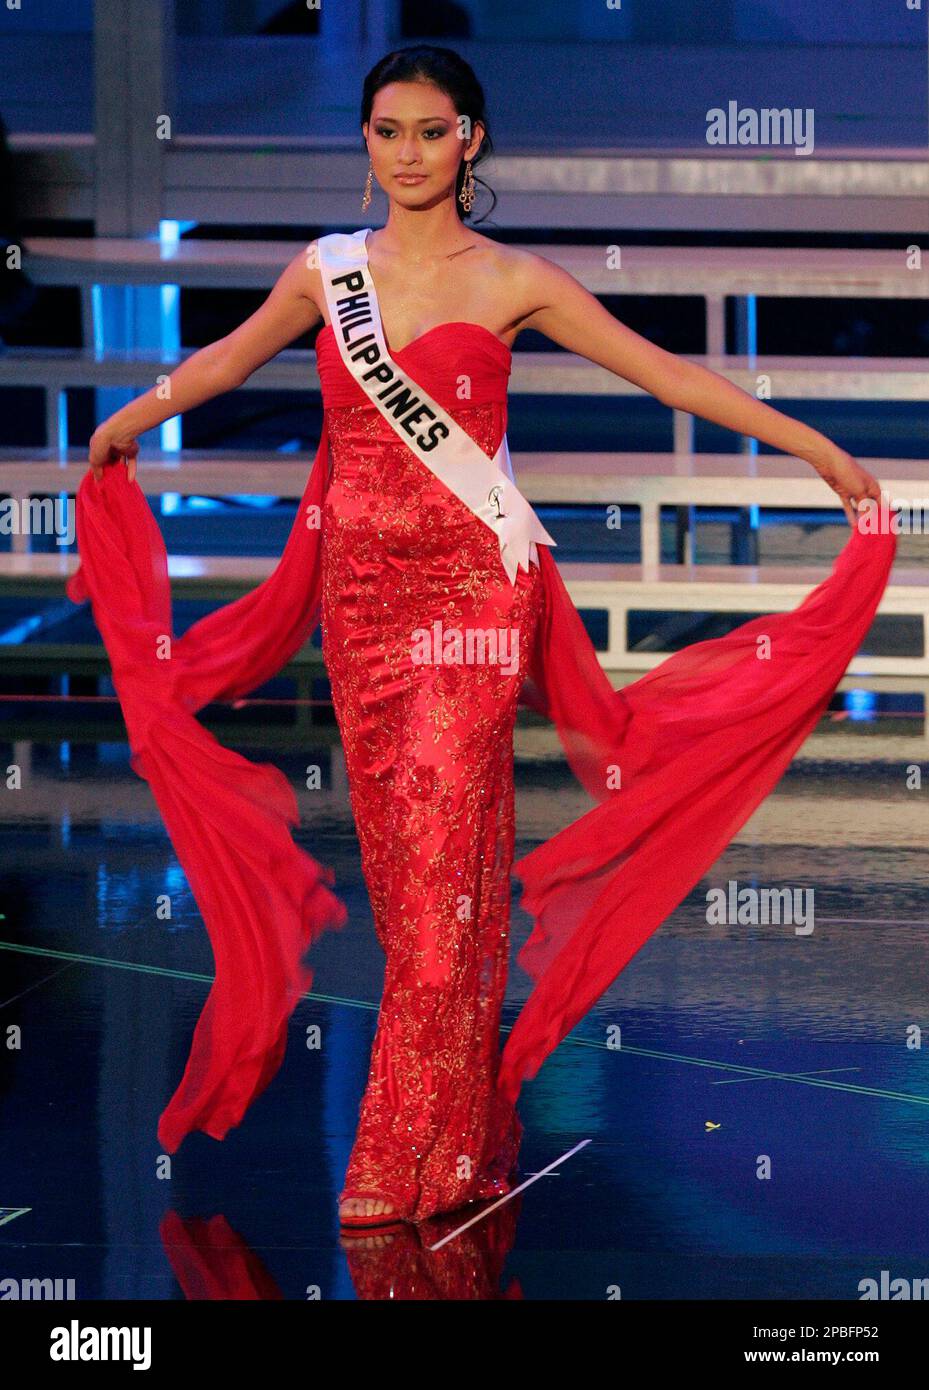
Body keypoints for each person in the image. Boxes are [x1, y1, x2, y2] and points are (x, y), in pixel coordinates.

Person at [75, 46, 895, 1230]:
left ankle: (392, 1158)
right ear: (365, 145)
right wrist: (130, 418)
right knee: (418, 886)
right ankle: (448, 1146)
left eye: (427, 130)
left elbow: (663, 375)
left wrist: (815, 448)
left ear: (470, 139)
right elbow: (223, 358)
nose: (404, 153)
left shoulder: (517, 278)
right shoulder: (327, 270)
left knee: (442, 868)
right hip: (359, 606)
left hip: (471, 601)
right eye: (383, 131)